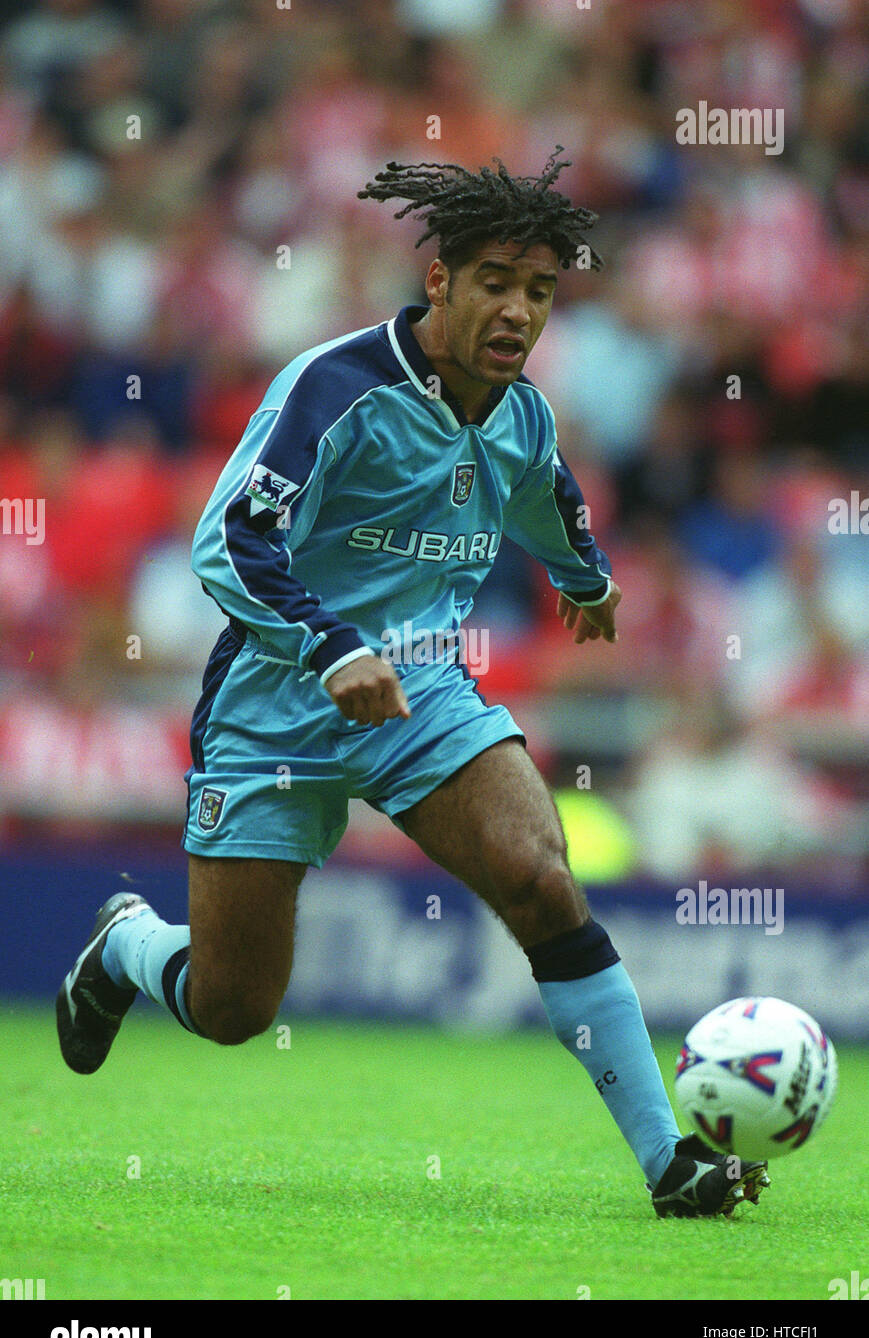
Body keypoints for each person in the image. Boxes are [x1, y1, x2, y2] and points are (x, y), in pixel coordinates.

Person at [57, 149, 768, 1217]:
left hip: (422, 694)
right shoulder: (333, 386)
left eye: (537, 292)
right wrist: (331, 644)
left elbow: (549, 496)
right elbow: (226, 541)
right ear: (438, 282)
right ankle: (126, 946)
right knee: (234, 1005)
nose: (517, 312)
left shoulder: (520, 414)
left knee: (537, 872)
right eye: (494, 282)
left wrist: (587, 581)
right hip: (274, 704)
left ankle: (669, 1161)